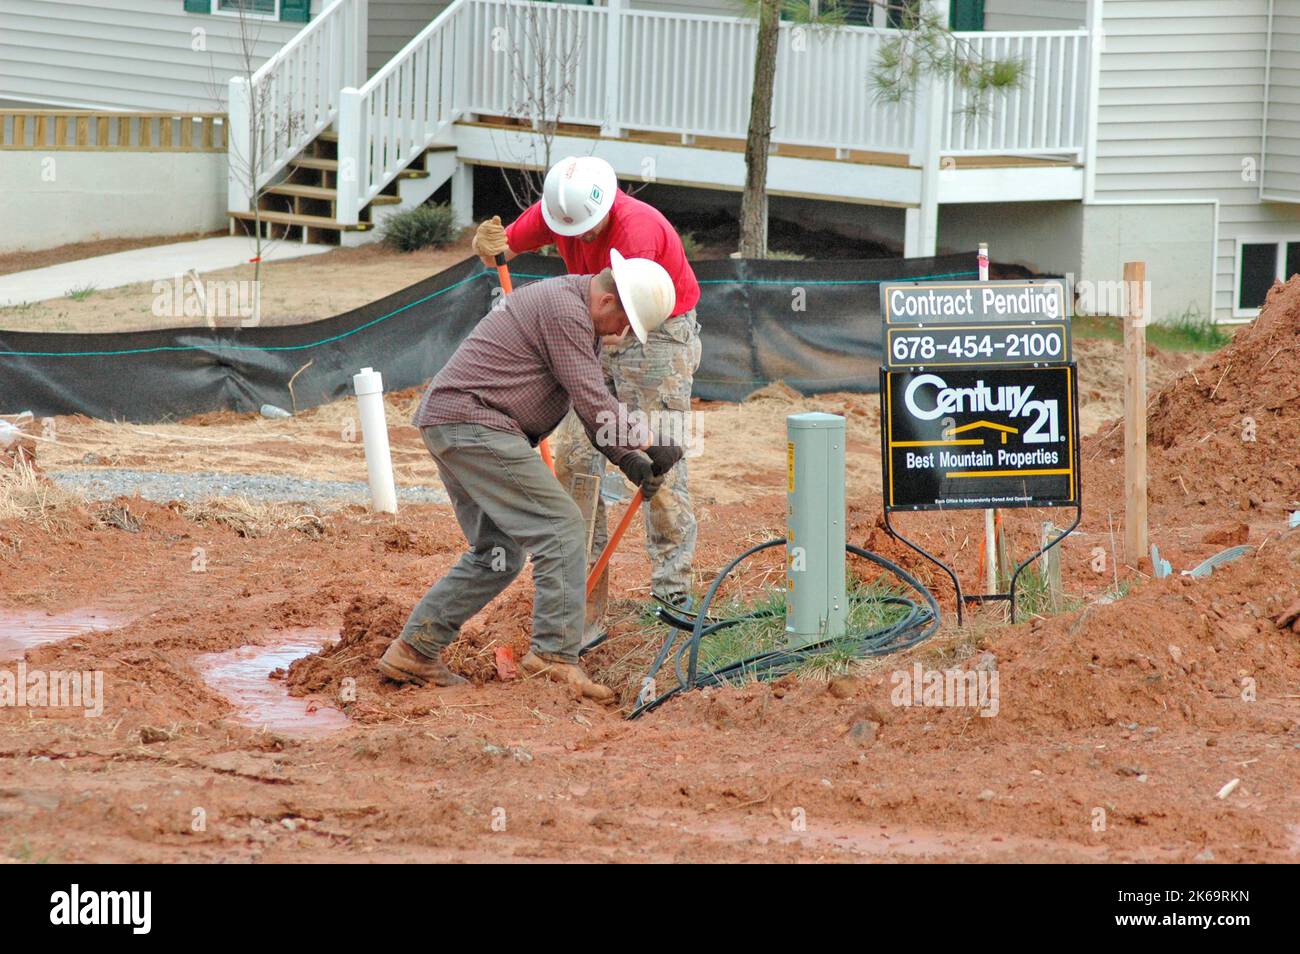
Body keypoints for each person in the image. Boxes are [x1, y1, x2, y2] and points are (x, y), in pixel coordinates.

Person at [377, 252, 683, 704]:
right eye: (625, 324)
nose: (622, 336)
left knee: (498, 553)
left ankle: (414, 650)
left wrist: (627, 458)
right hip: (475, 424)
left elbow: (589, 407)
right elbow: (593, 398)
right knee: (560, 527)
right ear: (607, 301)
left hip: (456, 424)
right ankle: (555, 659)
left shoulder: (574, 313)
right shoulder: (565, 310)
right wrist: (650, 440)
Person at [472, 156, 702, 611]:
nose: (581, 238)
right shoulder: (561, 211)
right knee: (576, 460)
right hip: (595, 318)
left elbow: (623, 321)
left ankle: (673, 598)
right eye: (572, 230)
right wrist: (488, 245)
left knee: (656, 457)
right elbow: (504, 249)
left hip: (655, 331)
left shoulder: (636, 230)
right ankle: (580, 600)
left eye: (590, 230)